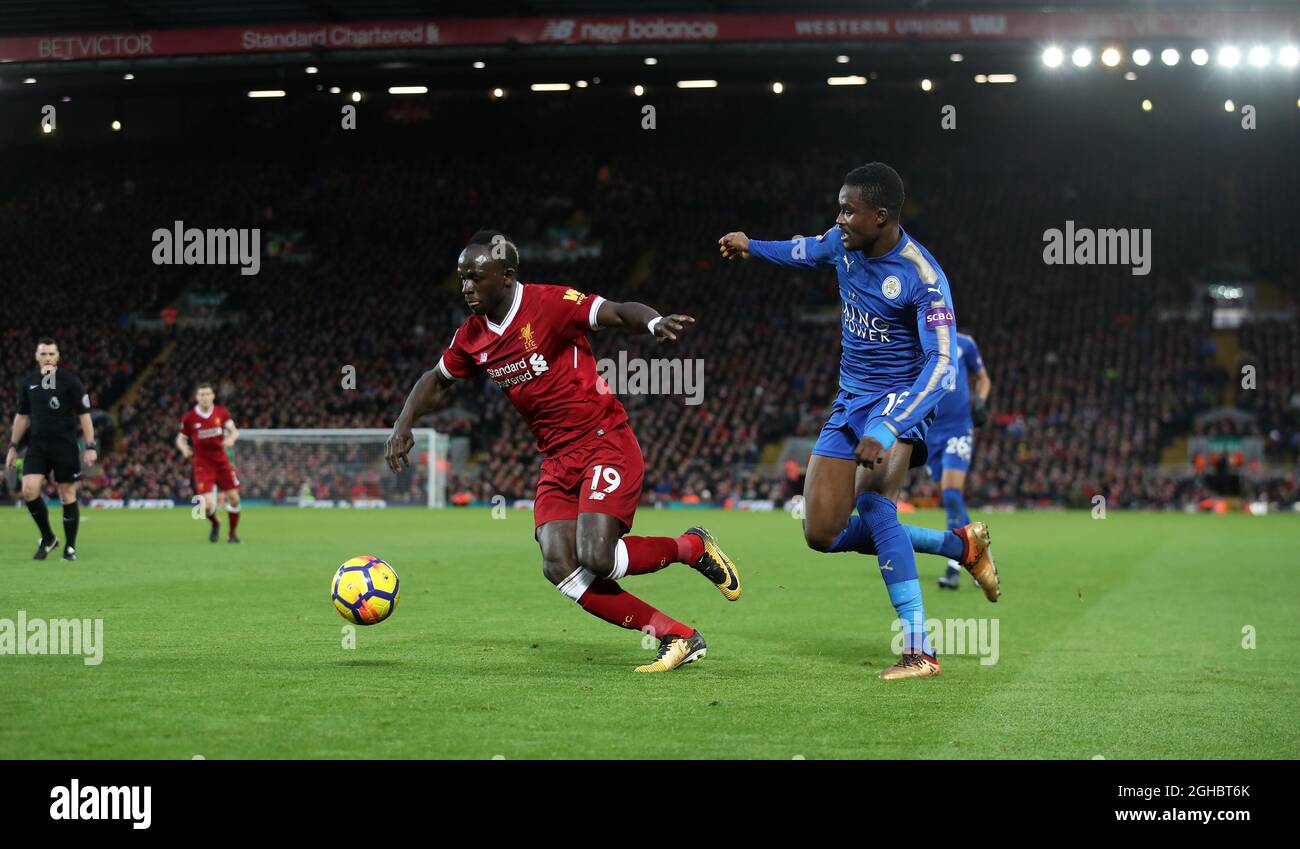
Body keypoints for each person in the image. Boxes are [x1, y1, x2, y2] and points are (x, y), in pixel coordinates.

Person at [385, 231, 742, 673]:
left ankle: (692, 547)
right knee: (560, 566)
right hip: (556, 459)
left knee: (597, 557)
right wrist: (403, 423)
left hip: (603, 441)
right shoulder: (471, 337)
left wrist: (653, 323)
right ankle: (677, 634)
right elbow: (436, 379)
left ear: (507, 276)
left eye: (476, 277)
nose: (466, 287)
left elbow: (614, 311)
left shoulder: (549, 304)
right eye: (462, 279)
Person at [718, 163, 998, 680]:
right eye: (839, 207)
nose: (839, 218)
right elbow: (802, 250)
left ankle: (921, 649)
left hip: (897, 404)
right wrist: (751, 246)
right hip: (849, 402)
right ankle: (961, 546)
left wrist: (889, 429)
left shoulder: (923, 276)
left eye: (849, 210)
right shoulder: (841, 245)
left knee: (873, 504)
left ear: (881, 216)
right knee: (820, 532)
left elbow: (940, 368)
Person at [5, 338, 96, 561]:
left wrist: (90, 445)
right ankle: (48, 538)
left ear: (58, 357)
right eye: (43, 354)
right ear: (37, 357)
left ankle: (70, 547)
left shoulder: (70, 381)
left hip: (64, 445)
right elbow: (22, 417)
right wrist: (13, 446)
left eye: (51, 354)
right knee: (28, 490)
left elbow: (84, 415)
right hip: (37, 445)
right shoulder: (28, 383)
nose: (47, 358)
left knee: (67, 494)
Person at [927, 332, 994, 590]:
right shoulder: (919, 341)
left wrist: (979, 401)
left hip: (958, 427)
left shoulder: (964, 343)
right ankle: (981, 554)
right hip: (930, 429)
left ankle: (954, 565)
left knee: (952, 495)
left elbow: (983, 379)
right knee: (948, 499)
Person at [177, 383, 243, 543]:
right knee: (206, 505)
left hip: (221, 462)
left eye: (208, 394)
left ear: (213, 396)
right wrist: (184, 449)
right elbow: (181, 438)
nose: (205, 397)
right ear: (197, 397)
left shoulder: (222, 413)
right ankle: (215, 523)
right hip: (202, 464)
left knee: (234, 499)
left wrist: (231, 439)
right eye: (202, 394)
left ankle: (232, 534)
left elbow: (234, 431)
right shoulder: (189, 417)